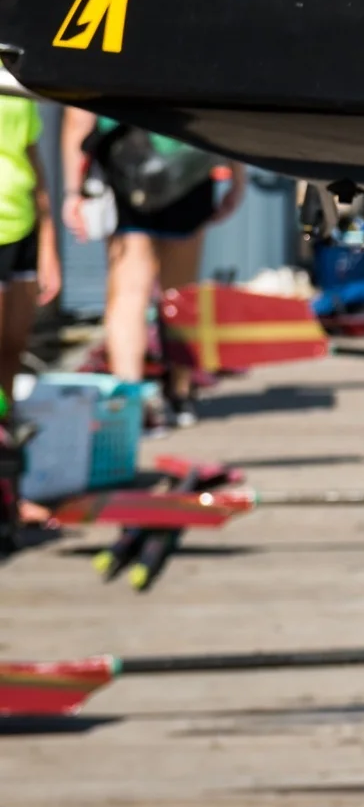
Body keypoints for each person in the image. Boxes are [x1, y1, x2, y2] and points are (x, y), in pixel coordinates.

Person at [61, 108, 241, 427]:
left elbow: (78, 116)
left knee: (129, 292)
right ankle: (180, 394)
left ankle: (130, 396)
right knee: (180, 294)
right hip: (190, 159)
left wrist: (74, 191)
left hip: (125, 160)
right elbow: (226, 104)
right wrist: (238, 174)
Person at [0, 96, 62, 526]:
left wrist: (49, 243)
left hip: (21, 226)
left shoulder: (13, 75)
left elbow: (34, 158)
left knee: (12, 350)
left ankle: (11, 494)